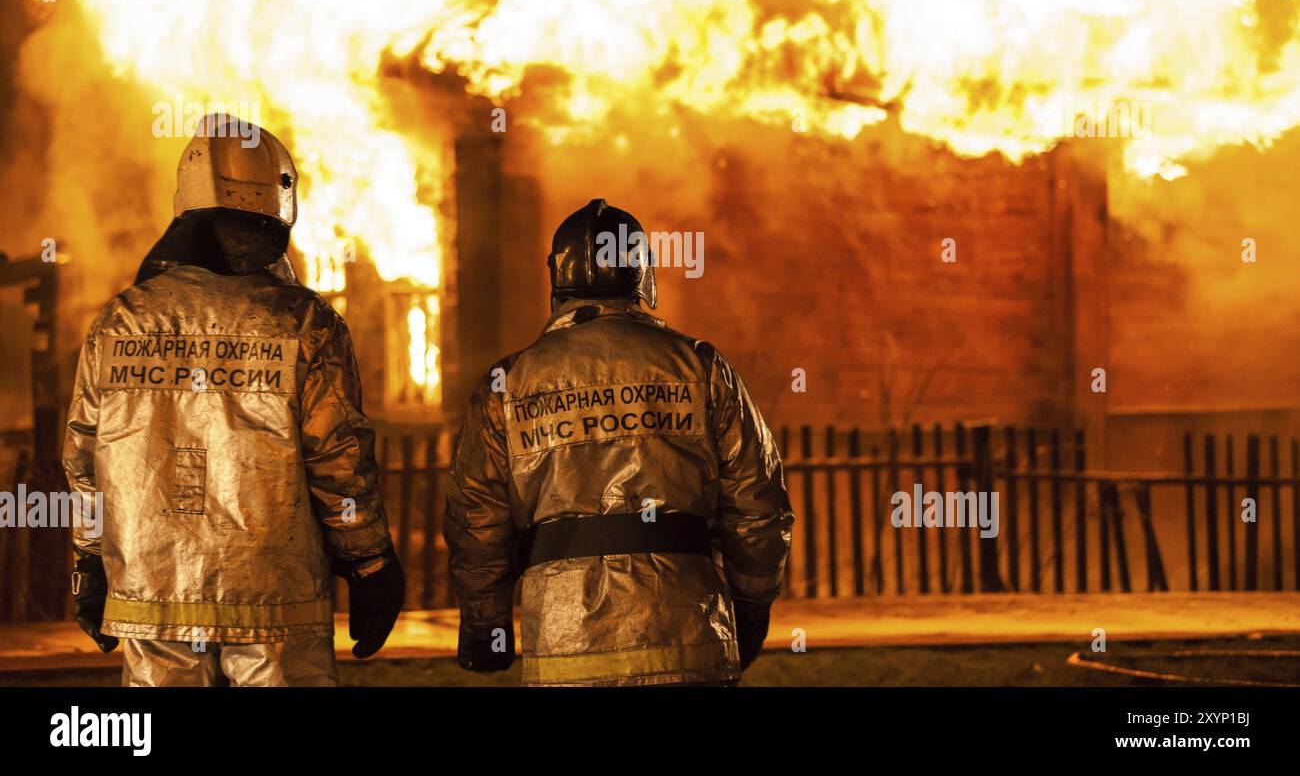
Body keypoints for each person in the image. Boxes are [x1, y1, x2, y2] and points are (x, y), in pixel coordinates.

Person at [62, 112, 404, 686]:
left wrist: (90, 564)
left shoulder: (117, 324)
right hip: (275, 608)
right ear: (276, 217)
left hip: (153, 602)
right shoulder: (305, 323)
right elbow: (338, 460)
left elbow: (84, 460)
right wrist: (369, 561)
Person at [446, 198, 793, 686]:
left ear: (557, 278)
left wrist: (486, 621)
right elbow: (759, 503)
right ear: (642, 273)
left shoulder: (509, 381)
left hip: (566, 640)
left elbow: (477, 518)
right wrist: (753, 603)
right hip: (686, 631)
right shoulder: (700, 365)